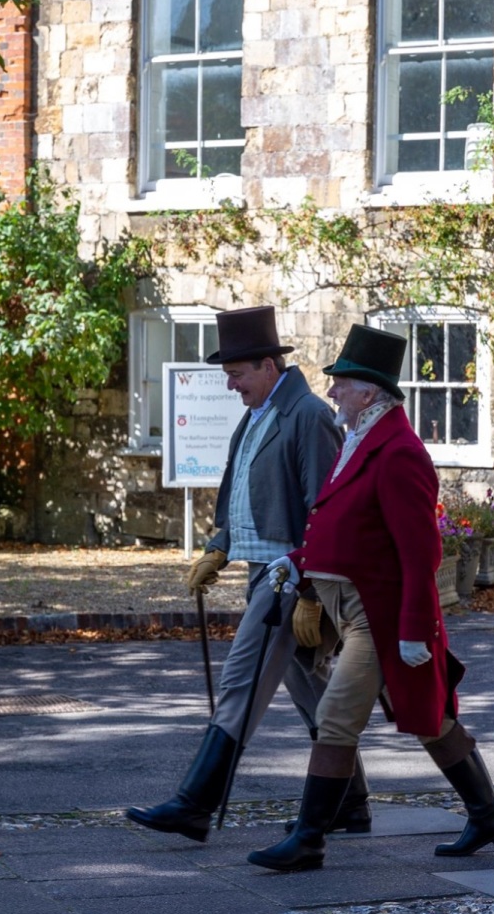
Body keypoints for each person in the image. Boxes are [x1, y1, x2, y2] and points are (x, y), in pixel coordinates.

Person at [247, 322, 494, 873]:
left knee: (337, 714)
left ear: (368, 393)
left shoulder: (398, 452)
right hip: (354, 606)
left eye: (341, 383)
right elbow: (347, 527)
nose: (332, 392)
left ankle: (309, 839)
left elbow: (422, 552)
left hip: (382, 614)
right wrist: (298, 562)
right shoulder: (363, 440)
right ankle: (487, 814)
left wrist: (416, 627)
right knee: (429, 718)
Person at [126, 305, 372, 841]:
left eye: (237, 375)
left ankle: (194, 804)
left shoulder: (305, 414)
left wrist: (309, 589)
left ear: (267, 365)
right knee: (309, 685)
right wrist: (219, 547)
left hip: (288, 576)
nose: (232, 386)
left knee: (239, 682)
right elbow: (238, 489)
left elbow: (322, 508)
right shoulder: (257, 415)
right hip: (263, 568)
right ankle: (349, 804)